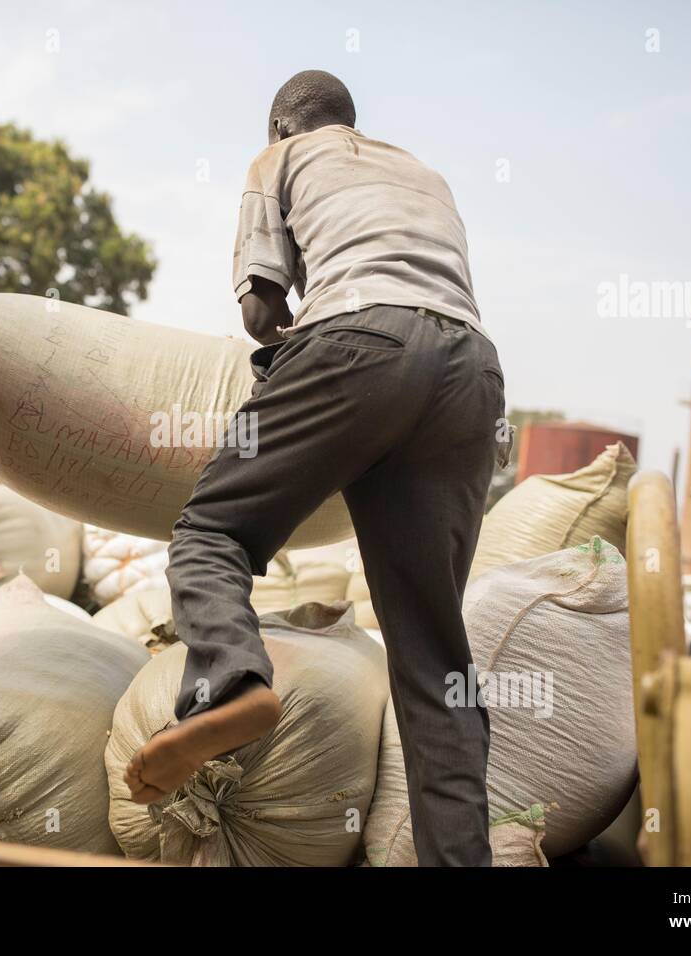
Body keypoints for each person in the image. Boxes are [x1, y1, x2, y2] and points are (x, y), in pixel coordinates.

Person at [124, 70, 506, 866]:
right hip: (471, 374)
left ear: (278, 125)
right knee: (436, 660)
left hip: (359, 346)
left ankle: (232, 685)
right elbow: (429, 295)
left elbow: (260, 309)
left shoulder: (280, 160)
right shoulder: (423, 172)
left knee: (211, 530)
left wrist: (300, 360)